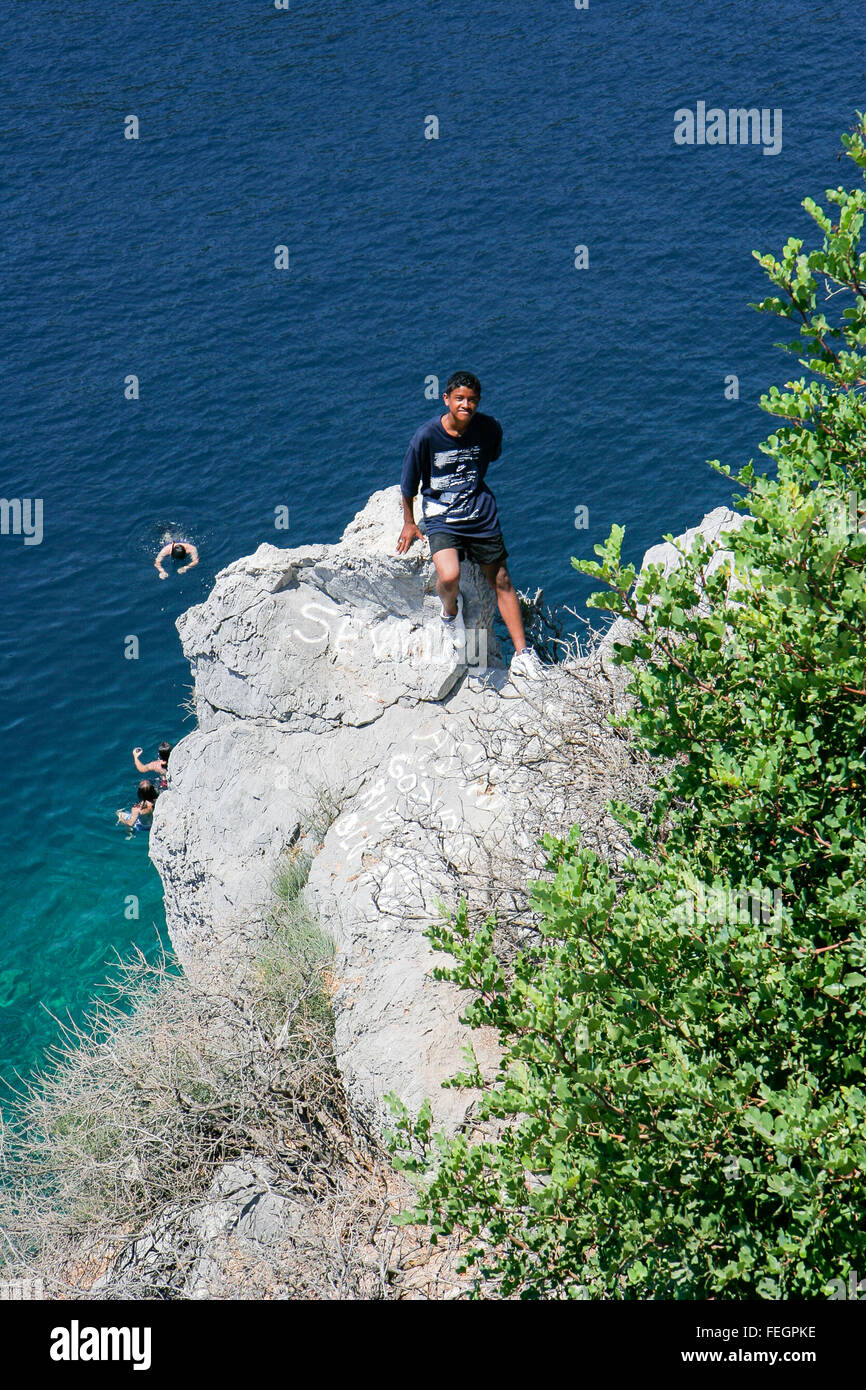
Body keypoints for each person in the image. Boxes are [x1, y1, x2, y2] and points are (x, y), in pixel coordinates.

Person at [397, 371, 544, 682]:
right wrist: (410, 522)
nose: (466, 404)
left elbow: (489, 459)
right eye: (460, 398)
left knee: (502, 580)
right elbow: (409, 484)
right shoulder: (426, 437)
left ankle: (522, 655)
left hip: (480, 515)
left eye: (472, 399)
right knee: (449, 576)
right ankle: (450, 613)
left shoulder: (488, 428)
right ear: (446, 399)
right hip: (442, 518)